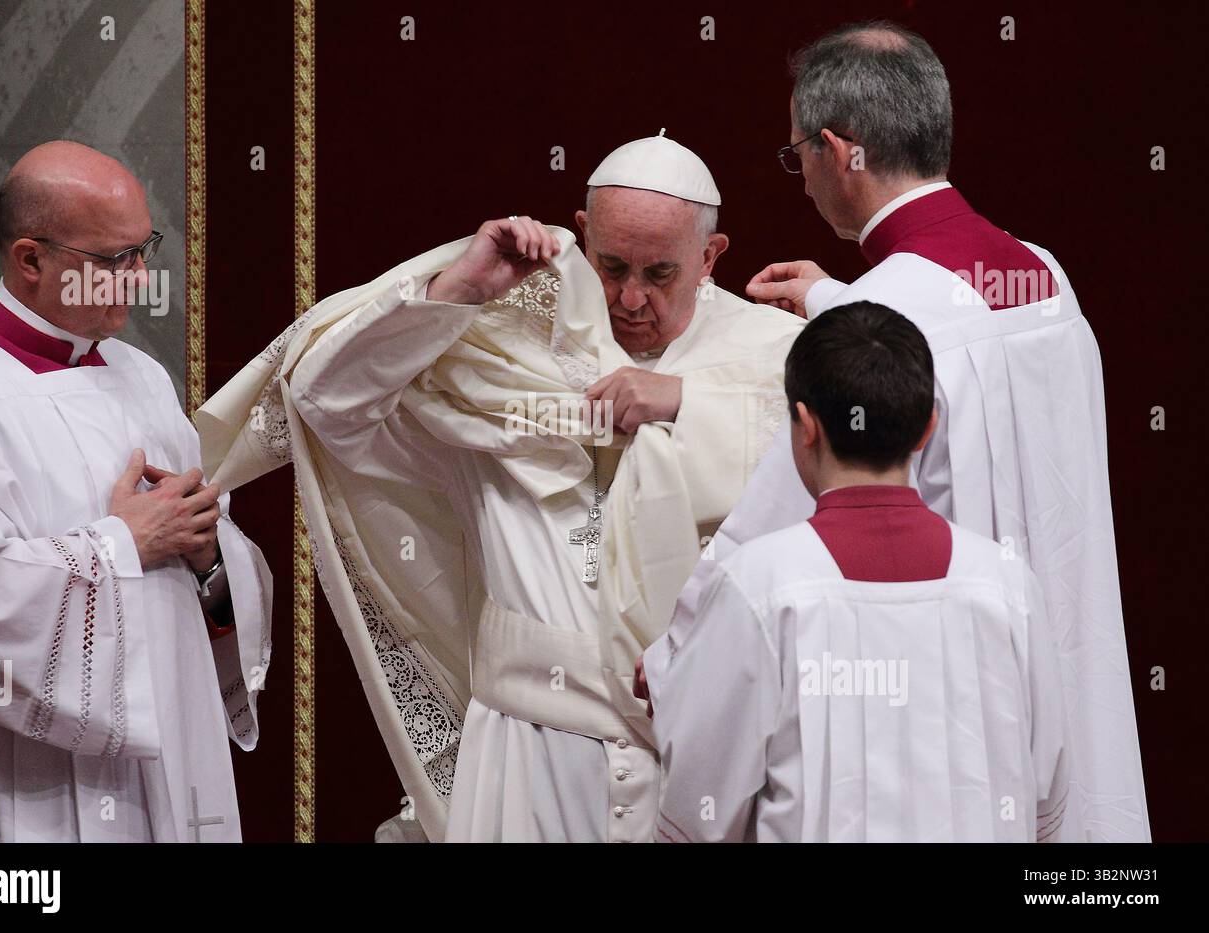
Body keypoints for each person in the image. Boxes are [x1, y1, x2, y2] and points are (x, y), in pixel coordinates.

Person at [196, 133, 804, 842]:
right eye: (610, 267)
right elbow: (327, 400)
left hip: (696, 756)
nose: (631, 298)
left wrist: (683, 405)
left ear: (712, 255)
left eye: (660, 273)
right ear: (580, 236)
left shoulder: (775, 356)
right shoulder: (494, 342)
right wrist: (461, 290)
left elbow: (821, 473)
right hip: (529, 749)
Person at [659, 20, 1147, 842]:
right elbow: (951, 320)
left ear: (837, 148)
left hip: (936, 711)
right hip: (1060, 667)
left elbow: (780, 519)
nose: (801, 179)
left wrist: (676, 655)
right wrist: (836, 298)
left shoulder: (889, 315)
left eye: (797, 155)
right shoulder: (1047, 277)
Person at [0, 141, 273, 842]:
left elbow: (206, 553)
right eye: (113, 261)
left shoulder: (143, 378)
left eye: (144, 251)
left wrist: (208, 554)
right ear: (30, 259)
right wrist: (123, 544)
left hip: (169, 754)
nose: (139, 280)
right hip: (31, 783)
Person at [651, 301, 1073, 843]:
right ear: (928, 428)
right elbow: (1046, 794)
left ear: (805, 426)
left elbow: (699, 805)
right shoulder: (1007, 583)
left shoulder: (758, 583)